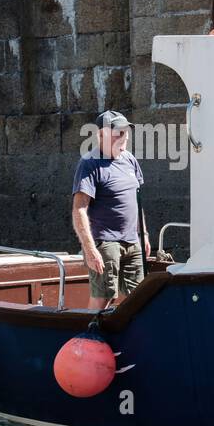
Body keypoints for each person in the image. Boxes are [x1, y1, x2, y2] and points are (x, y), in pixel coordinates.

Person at [72, 110, 150, 311]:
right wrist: (90, 250)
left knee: (140, 298)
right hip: (105, 242)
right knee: (103, 298)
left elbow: (137, 200)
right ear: (101, 135)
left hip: (133, 242)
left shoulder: (130, 160)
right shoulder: (89, 163)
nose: (124, 138)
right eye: (118, 133)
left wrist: (145, 235)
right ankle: (89, 336)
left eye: (125, 132)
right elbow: (79, 209)